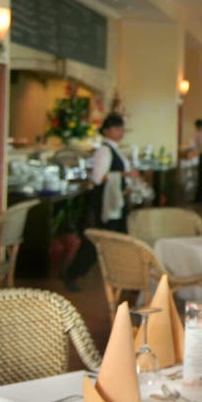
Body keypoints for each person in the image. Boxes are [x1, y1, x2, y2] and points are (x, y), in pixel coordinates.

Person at [64, 113, 137, 291]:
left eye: (121, 129)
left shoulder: (114, 149)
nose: (120, 132)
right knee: (97, 242)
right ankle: (71, 274)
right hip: (106, 204)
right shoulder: (104, 151)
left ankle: (127, 280)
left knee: (121, 241)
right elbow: (97, 178)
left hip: (116, 203)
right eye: (116, 128)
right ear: (106, 130)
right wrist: (124, 175)